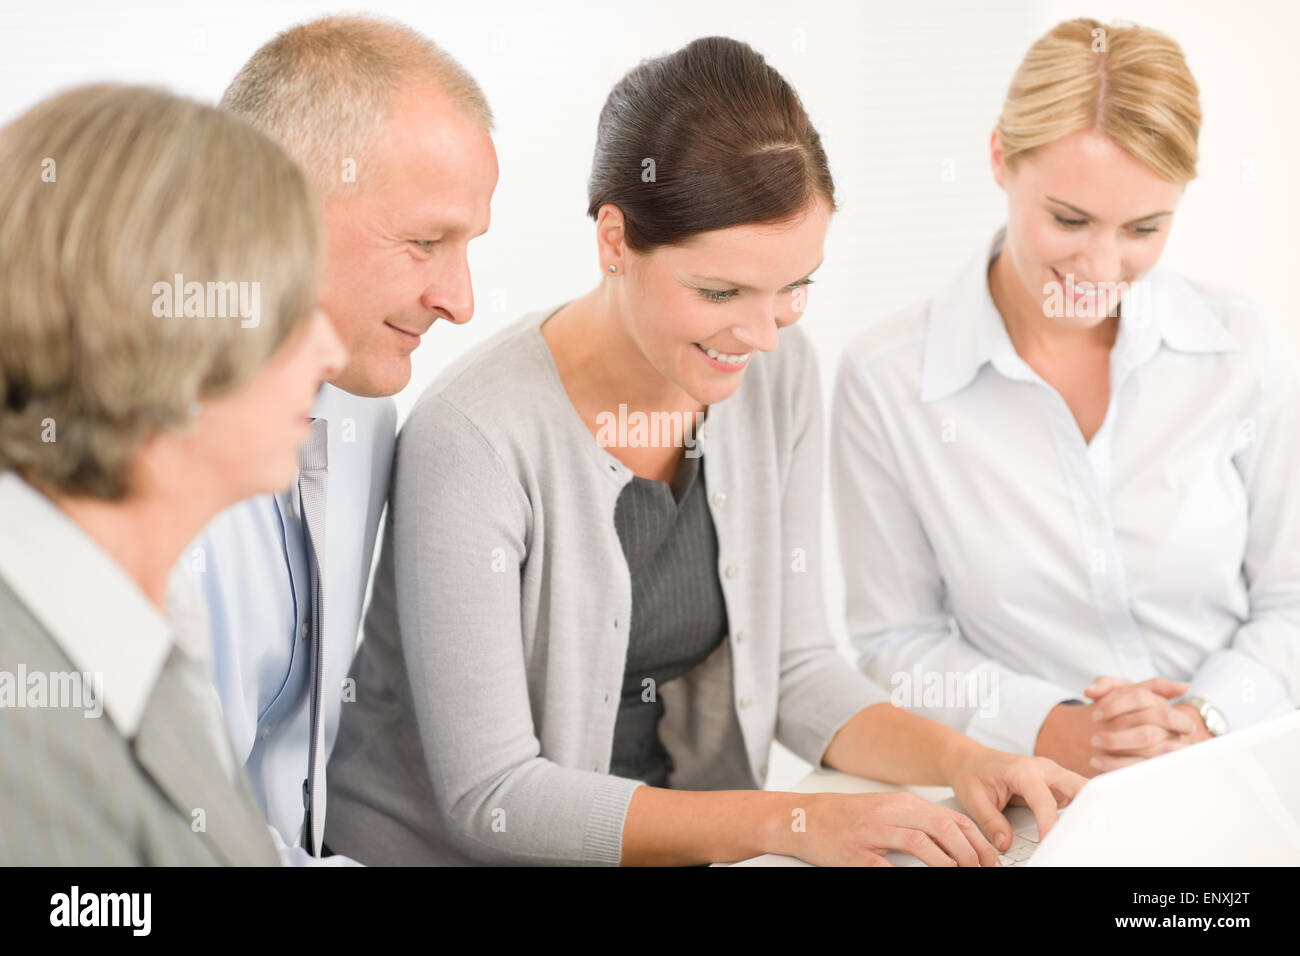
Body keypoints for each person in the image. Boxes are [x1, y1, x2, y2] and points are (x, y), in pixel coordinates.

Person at [326, 36, 1085, 867]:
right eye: (719, 292)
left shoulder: (774, 373)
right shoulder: (473, 437)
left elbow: (796, 668)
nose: (759, 334)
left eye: (795, 287)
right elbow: (494, 797)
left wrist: (968, 760)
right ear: (614, 240)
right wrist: (789, 823)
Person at [831, 18, 1300, 779]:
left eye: (1144, 228)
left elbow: (1293, 601)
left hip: (1242, 766)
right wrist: (1054, 728)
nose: (1102, 265)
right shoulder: (888, 379)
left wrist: (1200, 720)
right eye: (1069, 219)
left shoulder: (1244, 350)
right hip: (1035, 786)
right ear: (999, 159)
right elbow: (896, 642)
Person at [179, 15, 498, 864]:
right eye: (426, 243)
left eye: (466, 247)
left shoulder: (362, 418)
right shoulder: (124, 443)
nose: (461, 302)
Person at [0, 83, 345, 864]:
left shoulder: (141, 620)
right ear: (166, 332)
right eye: (293, 309)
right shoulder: (20, 735)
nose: (332, 352)